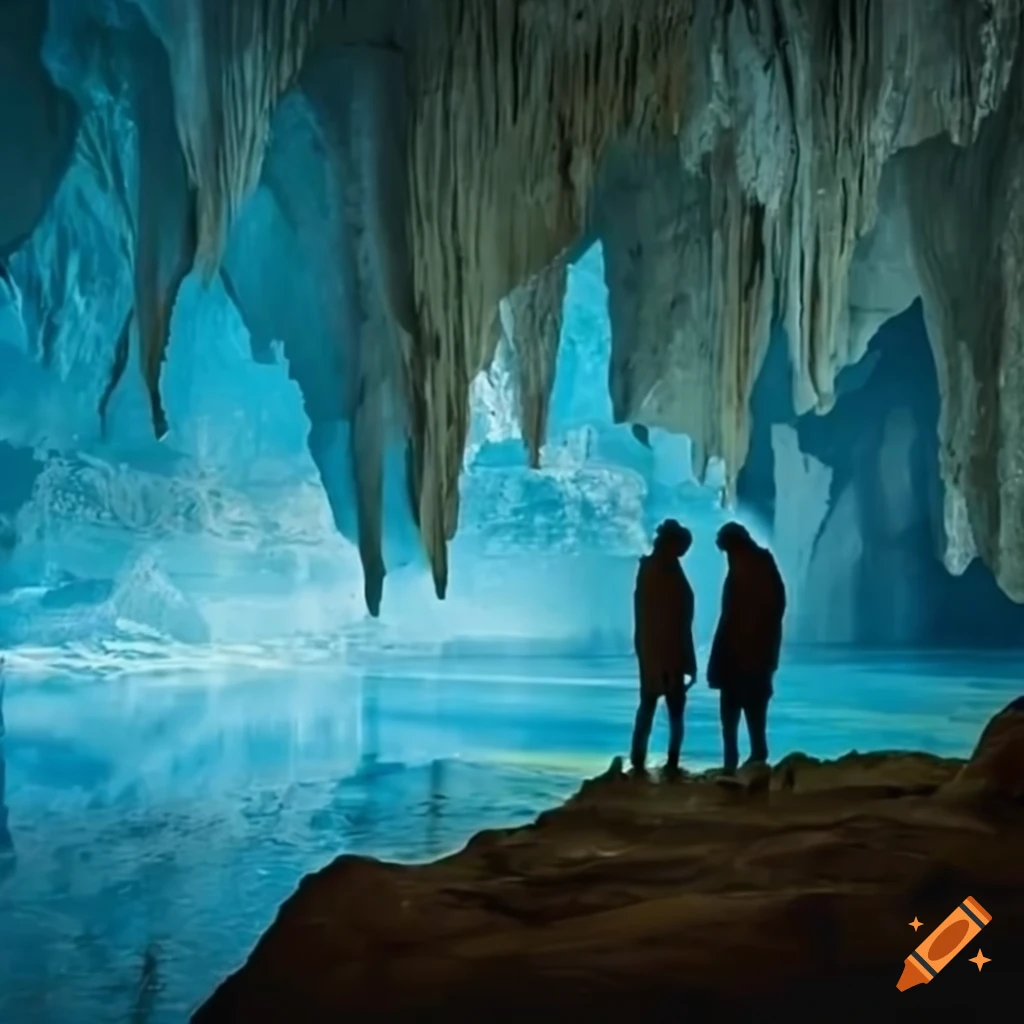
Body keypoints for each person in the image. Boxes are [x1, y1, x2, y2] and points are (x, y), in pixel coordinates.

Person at [707, 521, 786, 773]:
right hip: (747, 654)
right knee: (746, 710)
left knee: (741, 710)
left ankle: (745, 758)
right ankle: (744, 757)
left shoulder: (752, 566)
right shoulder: (755, 564)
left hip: (748, 654)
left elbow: (761, 611)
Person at [631, 518, 697, 774]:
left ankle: (646, 761)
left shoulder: (659, 569)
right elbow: (667, 621)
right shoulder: (661, 572)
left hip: (661, 654)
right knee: (668, 710)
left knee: (654, 707)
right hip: (664, 654)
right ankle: (662, 762)